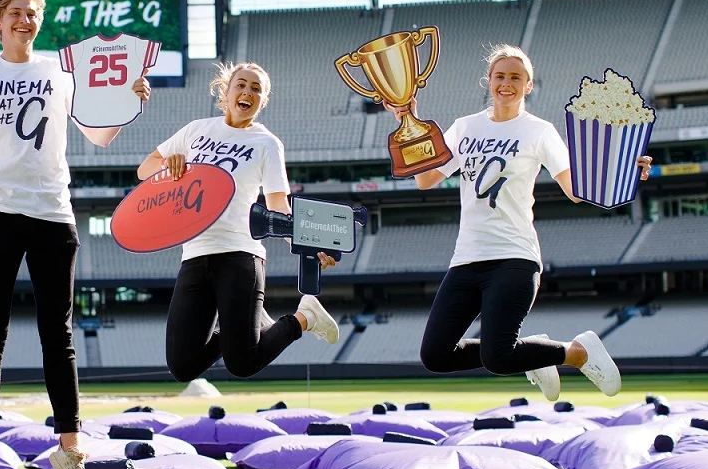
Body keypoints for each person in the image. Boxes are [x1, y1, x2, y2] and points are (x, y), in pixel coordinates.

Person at [0, 0, 151, 469]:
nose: (26, 20)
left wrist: (127, 104)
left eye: (33, 13)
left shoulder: (59, 76)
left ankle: (70, 450)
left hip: (52, 211)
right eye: (16, 13)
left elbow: (100, 137)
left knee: (56, 333)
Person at [388, 44, 651, 400]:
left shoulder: (538, 131)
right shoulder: (465, 127)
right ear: (489, 81)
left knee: (498, 357)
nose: (506, 83)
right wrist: (408, 122)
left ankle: (577, 352)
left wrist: (623, 171)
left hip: (514, 257)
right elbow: (425, 178)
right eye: (500, 76)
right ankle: (537, 353)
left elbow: (575, 189)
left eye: (516, 77)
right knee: (435, 355)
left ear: (528, 85)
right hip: (466, 259)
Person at [136, 61, 341, 387]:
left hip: (240, 254)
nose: (247, 92)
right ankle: (247, 322)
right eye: (241, 85)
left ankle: (304, 318)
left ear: (262, 101)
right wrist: (168, 165)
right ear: (226, 91)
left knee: (242, 363)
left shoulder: (266, 143)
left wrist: (304, 244)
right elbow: (145, 170)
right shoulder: (196, 130)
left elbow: (277, 205)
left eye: (256, 89)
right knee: (182, 366)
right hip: (194, 254)